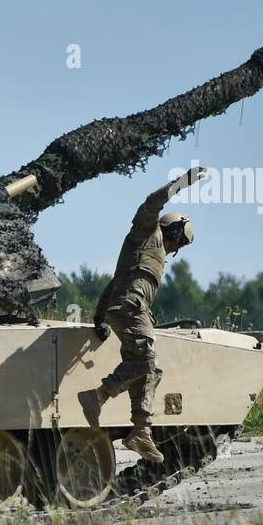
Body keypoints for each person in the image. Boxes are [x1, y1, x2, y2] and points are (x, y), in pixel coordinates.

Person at [78, 167, 203, 463]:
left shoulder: (152, 253)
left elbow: (114, 282)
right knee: (145, 359)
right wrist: (182, 183)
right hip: (130, 308)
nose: (175, 249)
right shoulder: (148, 232)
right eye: (179, 242)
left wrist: (100, 319)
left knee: (151, 369)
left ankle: (141, 431)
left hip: (132, 309)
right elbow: (151, 203)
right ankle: (97, 396)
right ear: (173, 230)